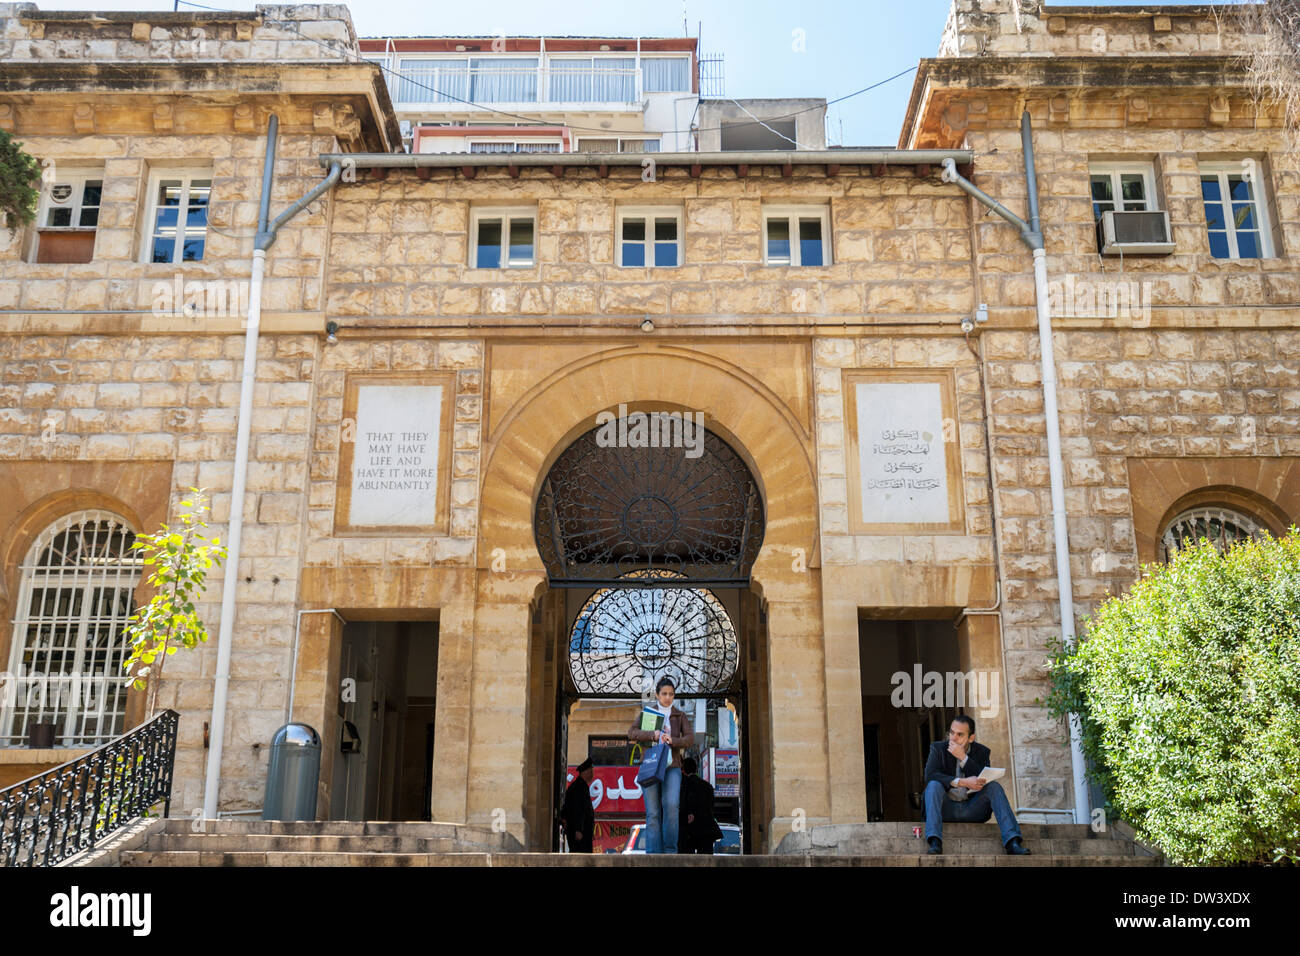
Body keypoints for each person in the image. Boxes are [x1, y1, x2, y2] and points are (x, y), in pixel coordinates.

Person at [922, 714, 1029, 856]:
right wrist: (962, 782)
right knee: (933, 785)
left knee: (994, 787)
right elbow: (929, 775)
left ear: (971, 738)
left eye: (960, 734)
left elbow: (984, 778)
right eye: (952, 733)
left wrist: (963, 758)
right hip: (945, 810)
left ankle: (1012, 842)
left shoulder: (982, 752)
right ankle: (935, 841)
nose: (953, 738)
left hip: (972, 809)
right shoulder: (938, 748)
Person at [627, 676, 695, 854]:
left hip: (672, 767)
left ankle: (670, 852)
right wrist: (653, 735)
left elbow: (690, 738)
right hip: (650, 764)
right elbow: (631, 733)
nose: (667, 697)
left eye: (671, 694)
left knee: (672, 805)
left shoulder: (679, 715)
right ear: (657, 695)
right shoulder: (647, 713)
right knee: (653, 812)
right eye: (664, 693)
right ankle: (653, 854)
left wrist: (674, 740)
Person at [678, 756, 723, 854]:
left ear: (683, 770)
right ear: (696, 769)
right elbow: (711, 808)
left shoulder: (682, 785)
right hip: (706, 830)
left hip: (688, 831)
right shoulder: (708, 787)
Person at [560, 757, 596, 853]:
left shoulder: (581, 786)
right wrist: (578, 829)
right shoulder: (579, 788)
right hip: (580, 834)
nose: (592, 774)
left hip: (582, 832)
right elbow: (578, 809)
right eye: (591, 771)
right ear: (586, 772)